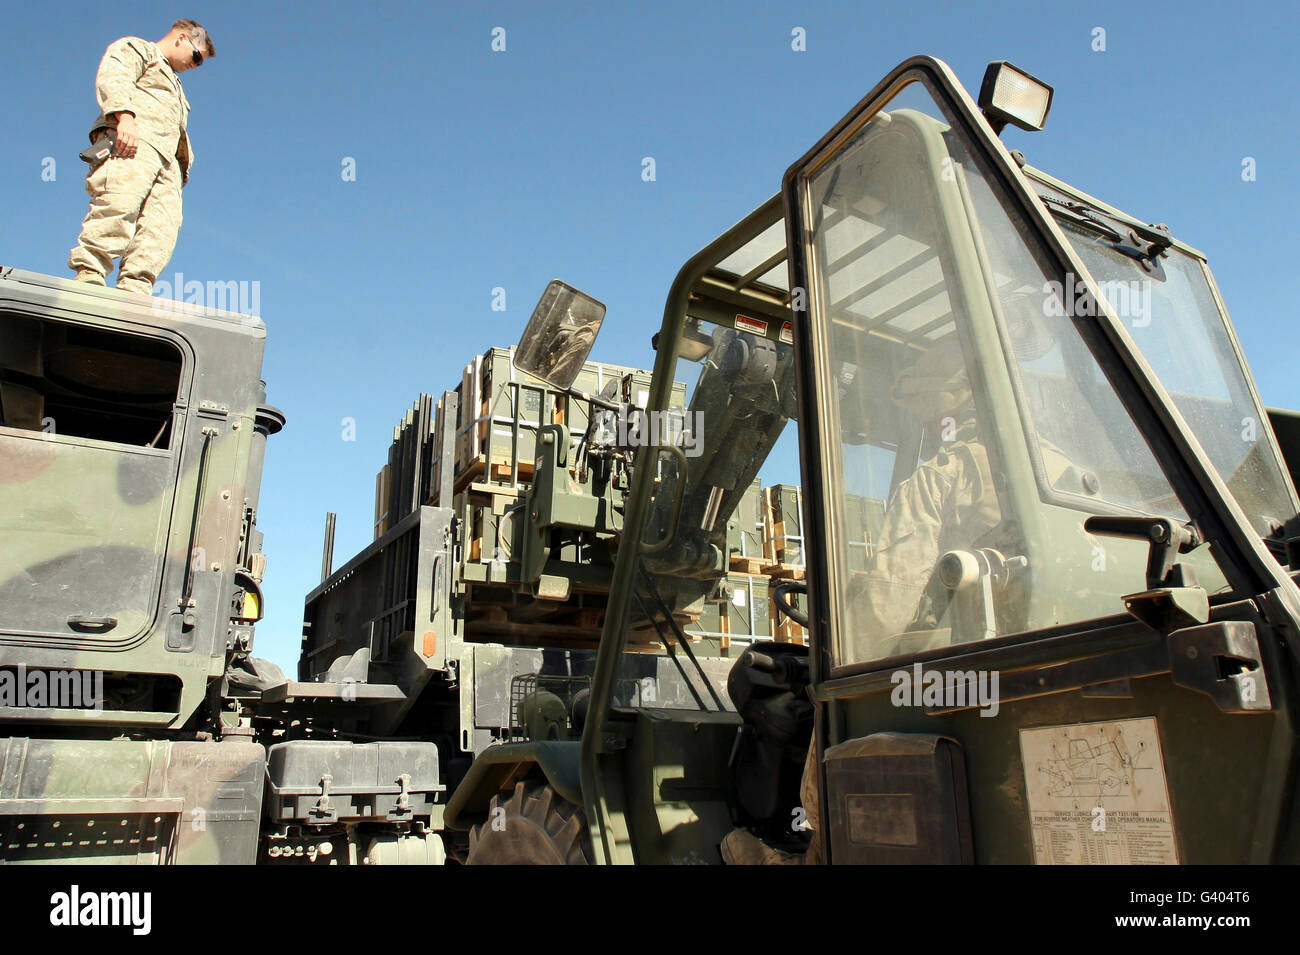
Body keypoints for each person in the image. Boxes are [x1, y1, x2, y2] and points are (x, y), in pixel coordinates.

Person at [68, 20, 215, 294]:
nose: (195, 66)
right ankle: (91, 270)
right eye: (196, 57)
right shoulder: (140, 49)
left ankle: (135, 287)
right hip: (134, 142)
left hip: (167, 162)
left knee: (162, 227)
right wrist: (124, 118)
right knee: (118, 203)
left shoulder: (176, 84)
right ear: (183, 39)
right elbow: (115, 75)